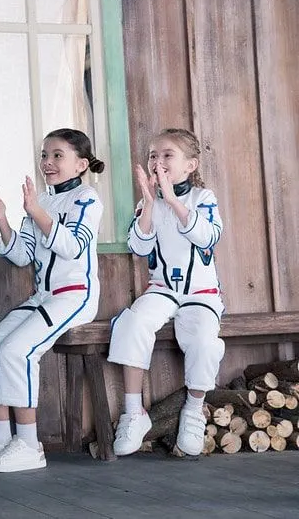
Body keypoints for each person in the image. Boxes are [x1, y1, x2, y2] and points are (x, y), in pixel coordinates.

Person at [0, 128, 105, 472]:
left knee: (15, 351)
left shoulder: (87, 198)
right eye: (44, 155)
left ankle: (28, 445)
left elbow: (72, 246)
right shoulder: (41, 199)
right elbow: (22, 255)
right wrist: (2, 219)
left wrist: (35, 210)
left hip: (74, 298)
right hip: (42, 297)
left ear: (81, 164)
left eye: (57, 156)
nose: (47, 162)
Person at [109, 128, 224, 457]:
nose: (157, 161)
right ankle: (134, 412)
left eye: (167, 155)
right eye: (152, 156)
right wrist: (150, 202)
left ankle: (193, 409)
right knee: (132, 322)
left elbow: (208, 237)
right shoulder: (147, 203)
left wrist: (172, 199)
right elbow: (137, 245)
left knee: (204, 339)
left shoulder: (204, 198)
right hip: (162, 290)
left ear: (191, 164)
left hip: (201, 293)